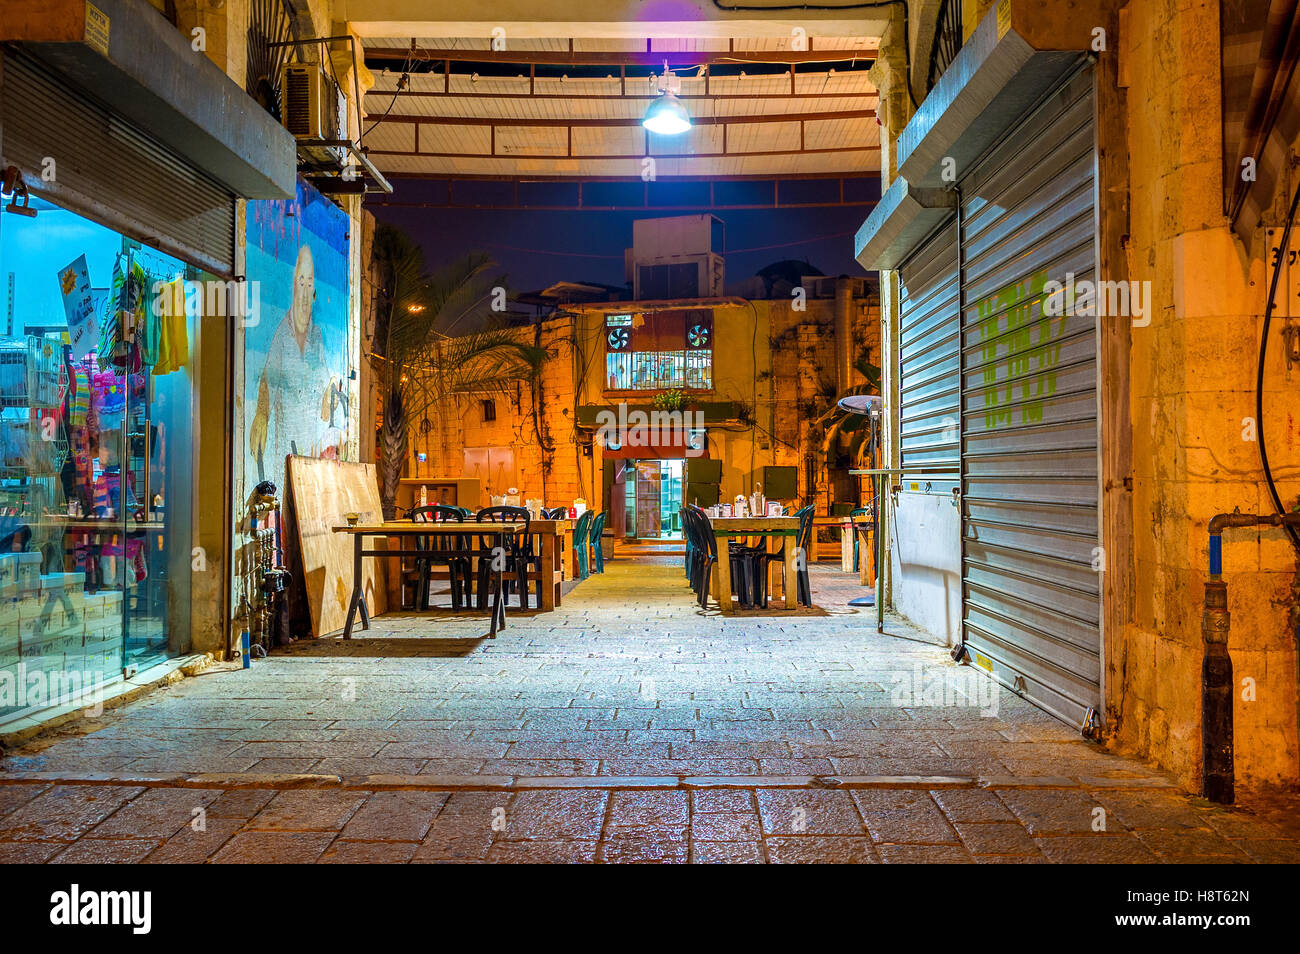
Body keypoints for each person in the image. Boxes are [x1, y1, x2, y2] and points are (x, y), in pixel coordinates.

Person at [248, 243, 340, 482]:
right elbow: (269, 376)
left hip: (312, 453)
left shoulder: (317, 337)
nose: (304, 291)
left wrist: (333, 387)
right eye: (301, 282)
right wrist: (261, 414)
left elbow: (328, 378)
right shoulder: (282, 335)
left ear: (314, 294)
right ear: (293, 288)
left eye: (309, 284)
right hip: (286, 451)